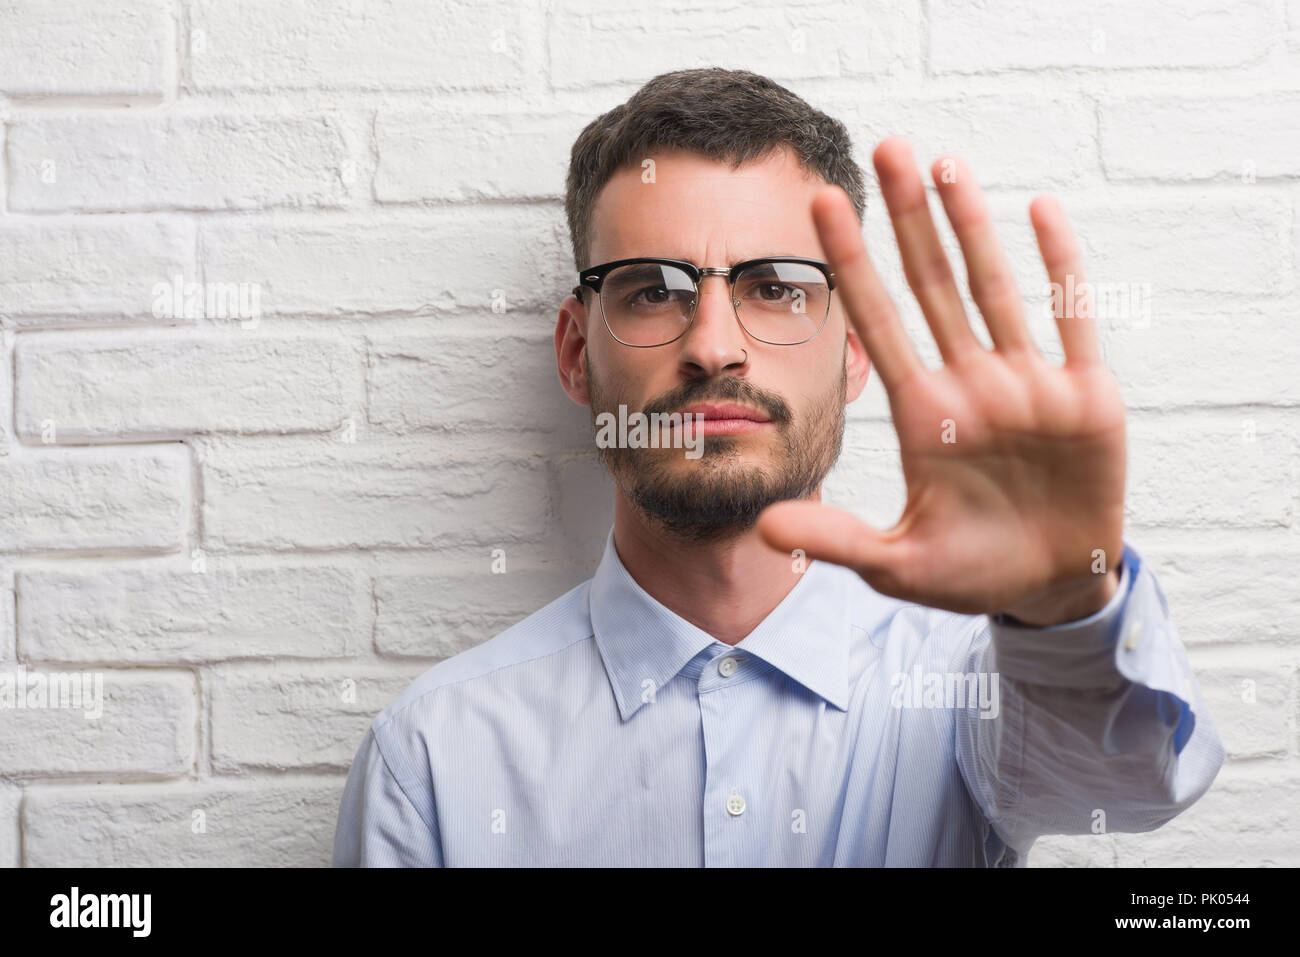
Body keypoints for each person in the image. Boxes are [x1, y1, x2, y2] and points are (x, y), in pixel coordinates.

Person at [332, 67, 1223, 867]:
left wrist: (1063, 604)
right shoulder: (434, 760)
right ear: (575, 353)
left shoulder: (968, 686)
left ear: (857, 347)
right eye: (652, 290)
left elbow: (1130, 782)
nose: (714, 347)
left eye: (776, 287)